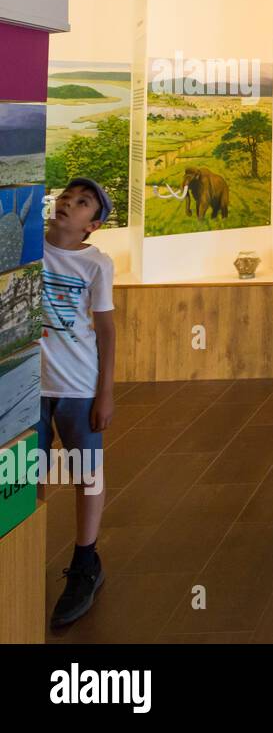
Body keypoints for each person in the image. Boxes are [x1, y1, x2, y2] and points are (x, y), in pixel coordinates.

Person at [40, 177, 116, 628]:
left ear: (93, 224)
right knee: (24, 470)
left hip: (77, 385)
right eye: (68, 196)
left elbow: (105, 330)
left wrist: (106, 391)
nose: (70, 203)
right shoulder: (28, 243)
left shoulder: (96, 264)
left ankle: (85, 560)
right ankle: (24, 551)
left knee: (86, 470)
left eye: (83, 202)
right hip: (28, 384)